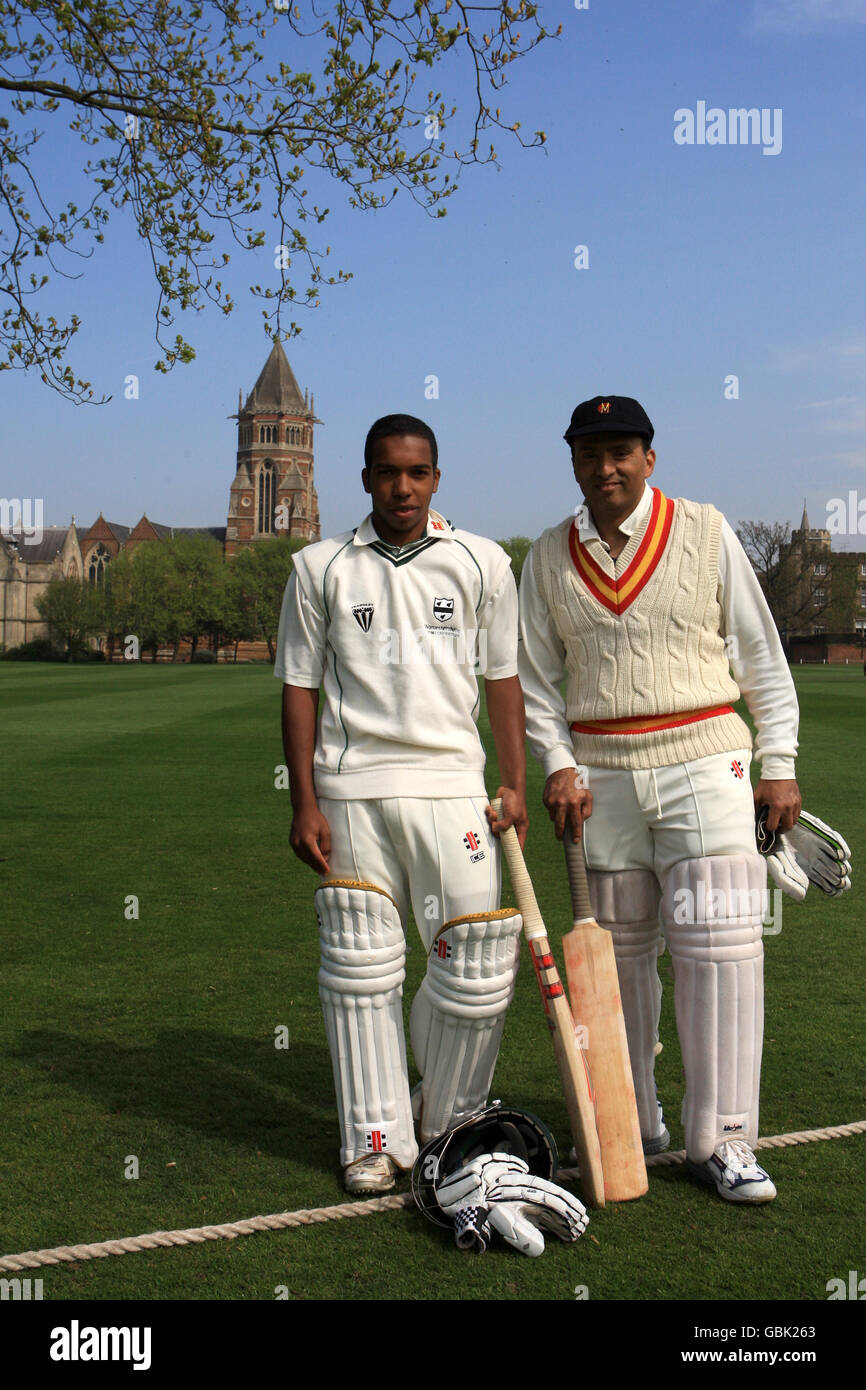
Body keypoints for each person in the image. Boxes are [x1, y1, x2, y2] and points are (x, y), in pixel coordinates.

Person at [518, 394, 800, 1203]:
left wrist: (776, 761)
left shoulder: (706, 532)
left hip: (706, 758)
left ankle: (727, 1139)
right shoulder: (545, 556)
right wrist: (556, 764)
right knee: (619, 955)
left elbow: (761, 657)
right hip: (600, 774)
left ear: (649, 457)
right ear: (573, 461)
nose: (604, 468)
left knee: (720, 948)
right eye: (588, 453)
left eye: (621, 452)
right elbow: (535, 683)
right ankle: (630, 1125)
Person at [275, 413, 528, 1194]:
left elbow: (504, 679)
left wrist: (513, 780)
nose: (403, 487)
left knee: (475, 970)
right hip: (353, 792)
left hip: (456, 788)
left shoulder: (481, 561)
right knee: (361, 969)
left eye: (417, 473)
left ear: (437, 478)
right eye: (388, 472)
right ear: (366, 479)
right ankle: (375, 1139)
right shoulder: (319, 567)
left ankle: (451, 1124)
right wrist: (304, 802)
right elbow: (298, 687)